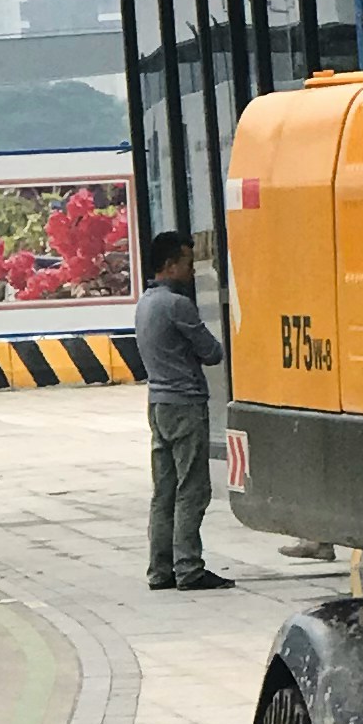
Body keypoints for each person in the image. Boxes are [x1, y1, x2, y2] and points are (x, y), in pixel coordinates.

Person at [137, 228, 233, 592]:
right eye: (187, 263)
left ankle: (160, 569)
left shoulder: (145, 303)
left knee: (164, 491)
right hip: (185, 406)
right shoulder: (178, 305)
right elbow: (212, 352)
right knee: (192, 489)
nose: (192, 270)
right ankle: (189, 568)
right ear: (170, 265)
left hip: (158, 404)